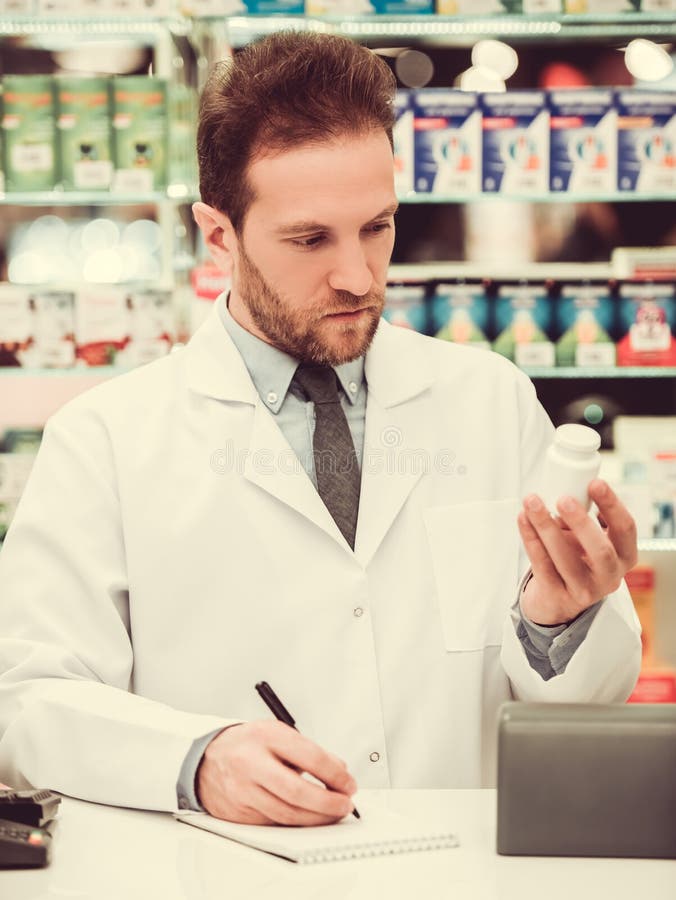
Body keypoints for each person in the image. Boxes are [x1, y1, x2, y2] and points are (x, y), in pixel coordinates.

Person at [0, 32, 641, 828]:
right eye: (311, 239)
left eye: (377, 227)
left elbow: (586, 694)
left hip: (452, 875)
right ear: (219, 234)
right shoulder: (105, 439)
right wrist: (195, 759)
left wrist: (561, 621)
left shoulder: (488, 400)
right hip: (220, 876)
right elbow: (29, 701)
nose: (359, 277)